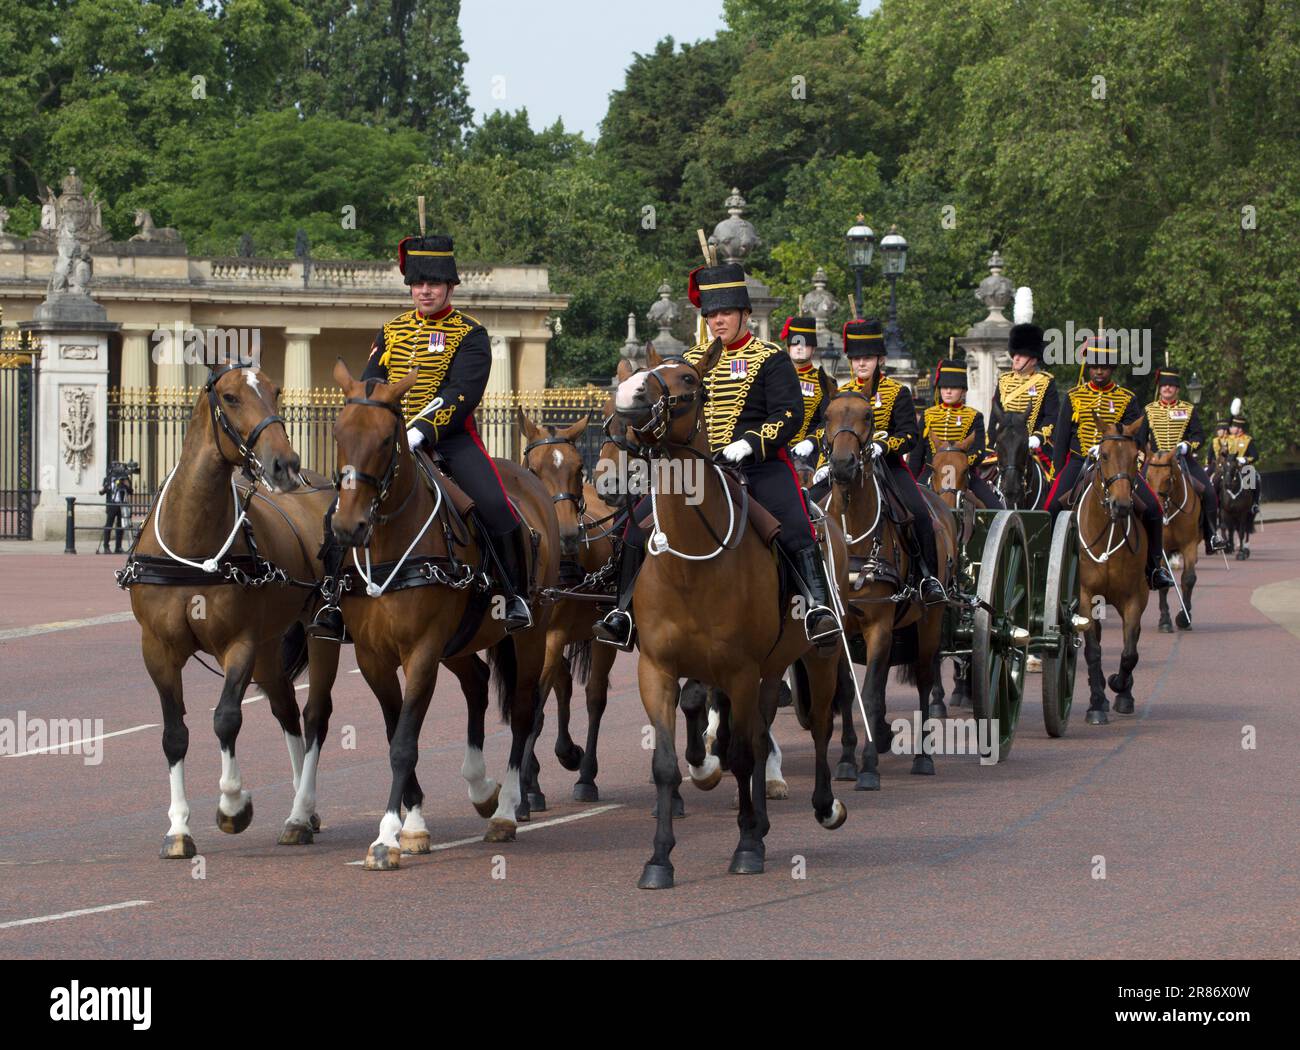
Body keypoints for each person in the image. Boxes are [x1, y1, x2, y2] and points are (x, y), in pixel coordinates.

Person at [592, 263, 838, 650]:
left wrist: (751, 442)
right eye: (711, 314)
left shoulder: (770, 358)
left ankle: (817, 607)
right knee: (635, 529)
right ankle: (622, 612)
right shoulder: (687, 363)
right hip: (694, 470)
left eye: (725, 312)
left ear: (745, 314)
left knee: (792, 524)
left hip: (757, 465)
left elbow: (790, 413)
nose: (717, 320)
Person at [312, 234, 532, 637]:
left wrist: (422, 431)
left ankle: (515, 595)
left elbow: (461, 393)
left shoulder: (470, 334)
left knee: (495, 507)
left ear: (450, 287)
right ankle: (332, 597)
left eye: (433, 283)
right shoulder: (391, 331)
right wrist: (383, 425)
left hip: (450, 439)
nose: (425, 290)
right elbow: (371, 383)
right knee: (339, 507)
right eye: (418, 283)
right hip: (389, 440)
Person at [825, 318, 946, 603]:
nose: (861, 363)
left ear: (879, 359)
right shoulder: (840, 394)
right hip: (847, 468)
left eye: (867, 357)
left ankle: (928, 578)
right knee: (812, 510)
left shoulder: (896, 392)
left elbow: (909, 435)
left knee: (919, 513)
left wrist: (884, 444)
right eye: (856, 358)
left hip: (888, 466)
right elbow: (826, 431)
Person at [1046, 337, 1175, 589]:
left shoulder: (1127, 399)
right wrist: (1057, 473)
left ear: (1112, 369)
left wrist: (1117, 454)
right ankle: (1049, 567)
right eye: (1094, 367)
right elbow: (1061, 439)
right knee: (1050, 507)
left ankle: (1153, 568)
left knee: (1153, 510)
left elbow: (1139, 438)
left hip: (1118, 465)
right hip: (1081, 460)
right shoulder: (1074, 397)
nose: (1099, 371)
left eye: (1104, 367)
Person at [1136, 367, 1227, 553]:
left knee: (1209, 492)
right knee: (1133, 491)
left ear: (1177, 389)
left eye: (1171, 385)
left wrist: (1187, 446)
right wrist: (1142, 457)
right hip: (1155, 463)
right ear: (1159, 388)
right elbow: (1139, 439)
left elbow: (1199, 436)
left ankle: (1211, 536)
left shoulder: (1188, 409)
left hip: (1182, 460)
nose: (1167, 388)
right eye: (1164, 385)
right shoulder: (1149, 410)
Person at [909, 358, 1004, 509]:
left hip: (964, 475)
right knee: (910, 507)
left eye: (953, 387)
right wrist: (911, 481)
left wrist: (959, 464)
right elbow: (917, 454)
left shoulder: (974, 416)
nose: (948, 391)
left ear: (963, 391)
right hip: (932, 473)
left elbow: (979, 451)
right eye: (944, 387)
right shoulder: (928, 415)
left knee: (996, 508)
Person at [988, 316, 1060, 462]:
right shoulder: (1004, 380)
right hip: (1004, 444)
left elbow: (1052, 416)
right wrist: (991, 442)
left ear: (1033, 359)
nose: (1016, 358)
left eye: (1021, 355)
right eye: (1015, 353)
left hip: (1033, 445)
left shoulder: (1046, 382)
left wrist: (1038, 437)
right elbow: (995, 416)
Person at [781, 315, 835, 471]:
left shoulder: (825, 382)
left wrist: (810, 441)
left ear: (813, 349)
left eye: (805, 344)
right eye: (795, 343)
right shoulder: (776, 378)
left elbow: (827, 421)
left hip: (810, 455)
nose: (799, 347)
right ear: (788, 347)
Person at [99, 466, 133, 554]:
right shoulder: (107, 479)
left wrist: (127, 484)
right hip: (112, 505)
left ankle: (118, 547)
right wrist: (105, 488)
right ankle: (106, 547)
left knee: (120, 526)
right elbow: (102, 492)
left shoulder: (124, 479)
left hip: (121, 505)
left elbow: (131, 491)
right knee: (109, 525)